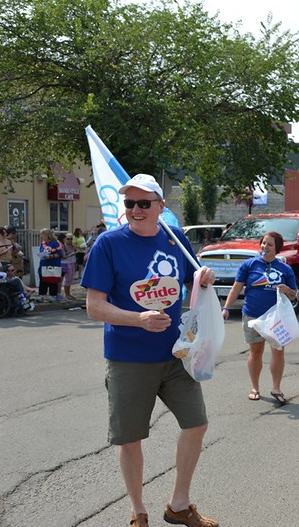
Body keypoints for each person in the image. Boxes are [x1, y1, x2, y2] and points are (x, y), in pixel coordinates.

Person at [82, 173, 218, 527]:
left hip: (175, 354)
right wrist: (137, 318)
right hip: (128, 357)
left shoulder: (175, 241)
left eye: (144, 203)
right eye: (130, 203)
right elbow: (94, 306)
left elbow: (193, 284)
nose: (136, 210)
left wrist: (204, 279)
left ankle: (178, 504)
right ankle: (139, 511)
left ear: (160, 206)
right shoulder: (108, 244)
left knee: (197, 424)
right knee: (130, 438)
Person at [221, 231, 298, 405]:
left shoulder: (285, 269)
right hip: (252, 315)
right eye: (263, 243)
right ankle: (255, 387)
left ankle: (276, 388)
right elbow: (236, 288)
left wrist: (288, 290)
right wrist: (226, 308)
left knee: (278, 351)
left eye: (269, 244)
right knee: (256, 352)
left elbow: (295, 296)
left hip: (276, 317)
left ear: (277, 248)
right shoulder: (249, 265)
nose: (265, 247)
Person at [37, 229, 64, 303]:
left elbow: (59, 254)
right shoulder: (43, 244)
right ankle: (41, 295)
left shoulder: (55, 243)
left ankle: (53, 295)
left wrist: (51, 256)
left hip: (53, 264)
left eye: (42, 235)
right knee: (42, 280)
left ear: (47, 235)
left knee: (52, 280)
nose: (41, 237)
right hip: (43, 264)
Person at [60, 232, 77, 300]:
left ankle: (69, 293)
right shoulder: (64, 246)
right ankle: (67, 294)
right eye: (68, 239)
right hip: (66, 263)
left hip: (73, 262)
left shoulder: (73, 245)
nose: (69, 240)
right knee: (67, 279)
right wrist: (71, 254)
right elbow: (63, 256)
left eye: (71, 239)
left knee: (70, 279)